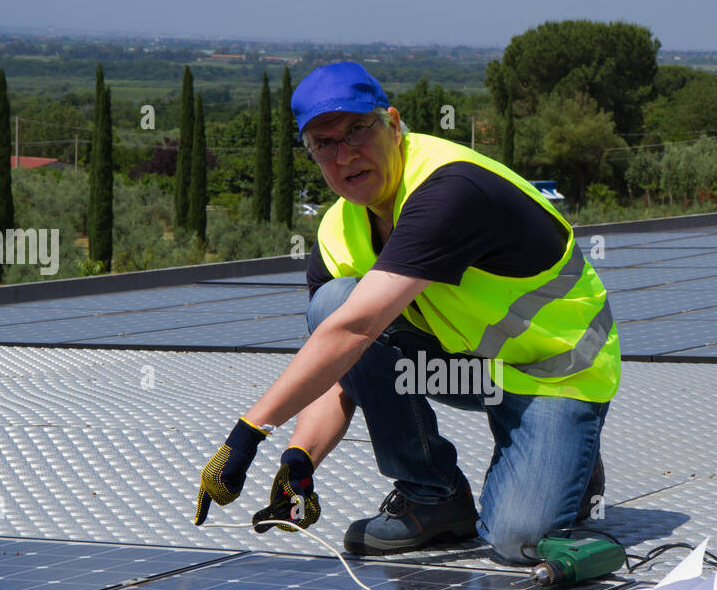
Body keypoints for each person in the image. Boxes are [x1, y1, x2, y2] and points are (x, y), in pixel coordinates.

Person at [194, 61, 620, 564]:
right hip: (467, 370)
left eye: (357, 129)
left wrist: (248, 434)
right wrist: (300, 458)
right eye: (324, 144)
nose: (345, 153)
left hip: (556, 374)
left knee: (516, 541)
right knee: (332, 303)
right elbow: (340, 369)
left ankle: (574, 455)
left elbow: (357, 330)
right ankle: (433, 496)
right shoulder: (339, 232)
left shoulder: (449, 189)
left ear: (393, 124)